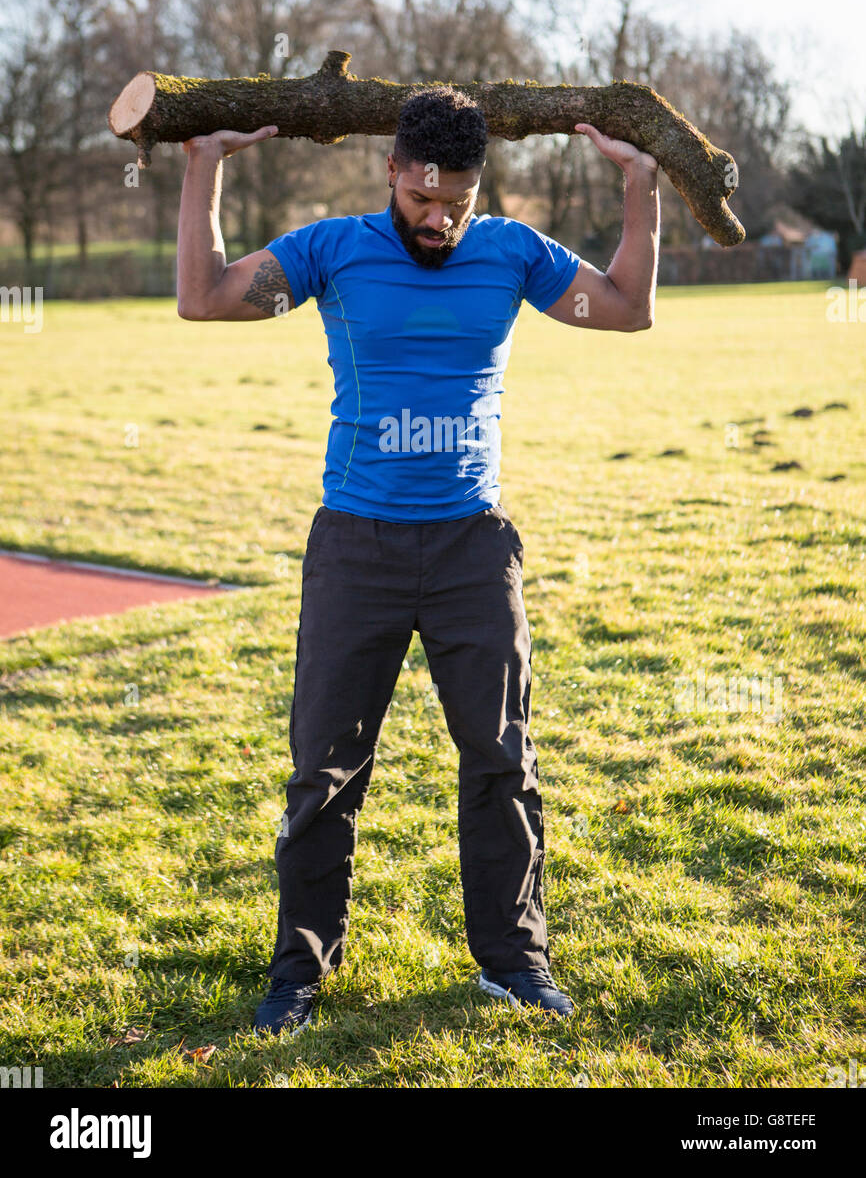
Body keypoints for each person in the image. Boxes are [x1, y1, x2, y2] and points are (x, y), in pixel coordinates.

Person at [176, 85, 660, 1035]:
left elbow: (627, 310)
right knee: (323, 769)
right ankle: (299, 975)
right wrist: (205, 168)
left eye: (458, 202)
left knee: (501, 760)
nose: (439, 219)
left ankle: (514, 964)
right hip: (356, 544)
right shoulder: (331, 250)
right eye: (423, 198)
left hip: (474, 546)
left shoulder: (510, 250)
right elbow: (203, 297)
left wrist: (639, 188)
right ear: (391, 170)